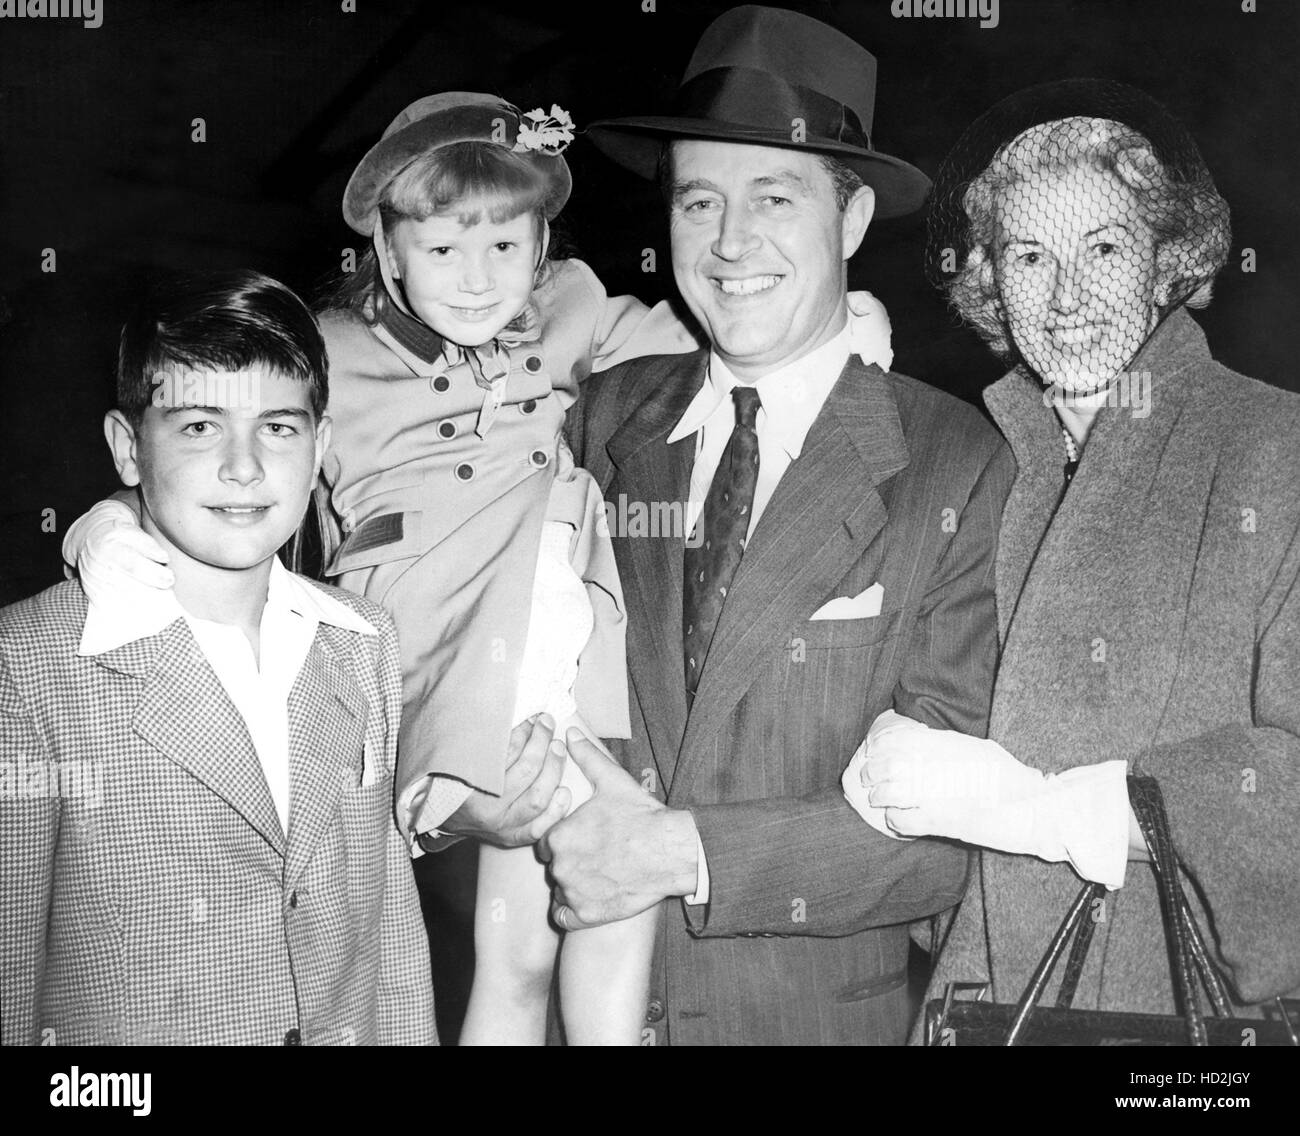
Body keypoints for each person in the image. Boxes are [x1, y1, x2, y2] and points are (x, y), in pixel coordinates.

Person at [62, 90, 893, 1044]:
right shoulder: (332, 354)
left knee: (600, 900)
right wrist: (110, 519)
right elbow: (216, 456)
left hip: (577, 661)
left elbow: (717, 355)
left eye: (504, 246)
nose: (474, 277)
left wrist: (850, 328)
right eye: (444, 248)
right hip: (438, 663)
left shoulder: (574, 311)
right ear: (388, 251)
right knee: (512, 950)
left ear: (541, 248)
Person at [535, 5, 1015, 1045]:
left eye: (773, 197)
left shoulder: (955, 462)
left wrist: (678, 851)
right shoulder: (597, 415)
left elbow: (950, 836)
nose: (730, 242)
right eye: (698, 200)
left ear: (848, 222)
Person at [849, 79, 1300, 1025]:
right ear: (988, 282)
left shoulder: (1275, 450)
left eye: (1104, 249)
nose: (1066, 297)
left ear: (1168, 260)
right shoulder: (972, 460)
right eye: (1028, 254)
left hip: (1174, 1021)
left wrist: (1054, 811)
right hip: (973, 1009)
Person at [0, 270, 437, 1045]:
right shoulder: (29, 665)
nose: (245, 467)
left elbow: (390, 935)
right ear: (128, 449)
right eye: (199, 426)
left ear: (321, 445)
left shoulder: (362, 641)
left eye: (278, 426)